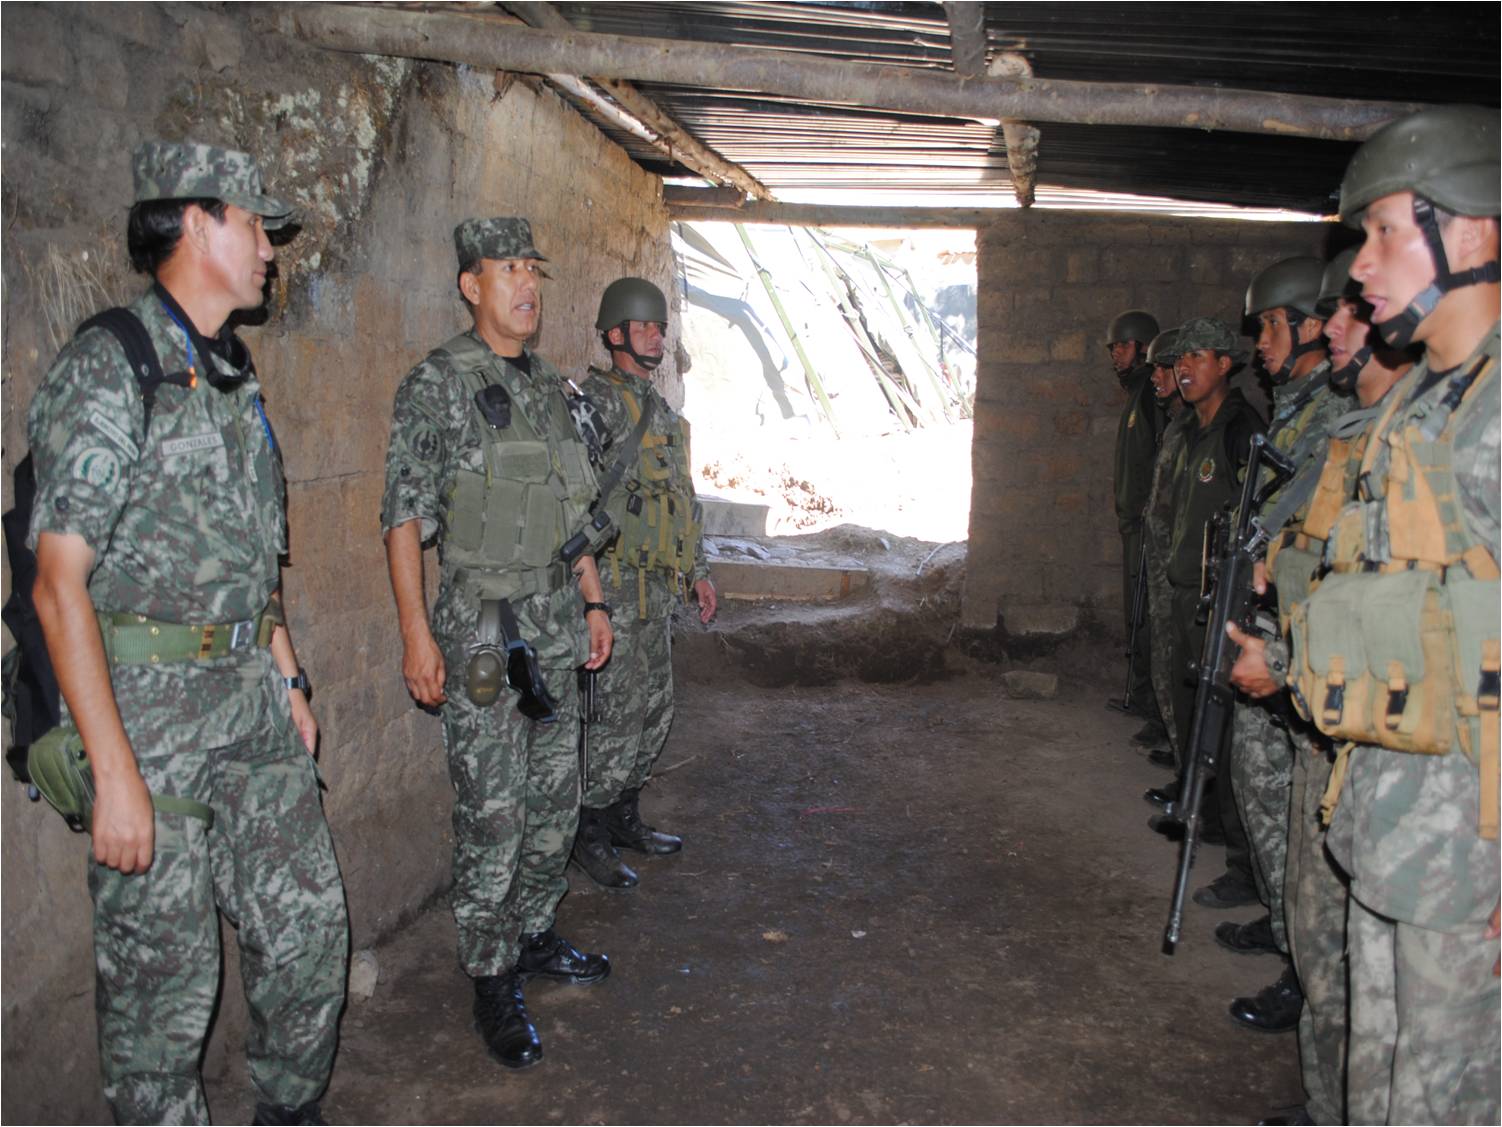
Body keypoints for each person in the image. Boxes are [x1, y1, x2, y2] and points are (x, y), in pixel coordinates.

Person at [26, 140, 348, 1126]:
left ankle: (289, 1109)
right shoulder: (111, 362)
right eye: (254, 225)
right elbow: (56, 584)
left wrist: (288, 678)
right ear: (194, 220)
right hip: (150, 727)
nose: (268, 250)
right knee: (162, 998)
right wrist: (115, 772)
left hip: (248, 704)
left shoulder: (229, 370)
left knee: (309, 931)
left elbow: (254, 554)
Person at [1293, 104, 1500, 1125]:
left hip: (1473, 870)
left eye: (1381, 231)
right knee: (1376, 1092)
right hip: (1396, 834)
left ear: (1472, 230)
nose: (1360, 265)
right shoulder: (1424, 405)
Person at [381, 217, 615, 1071]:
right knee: (494, 809)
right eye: (506, 269)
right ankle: (490, 974)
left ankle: (536, 932)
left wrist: (595, 603)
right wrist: (414, 632)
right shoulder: (436, 384)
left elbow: (575, 512)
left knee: (555, 800)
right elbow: (404, 516)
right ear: (470, 285)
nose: (526, 284)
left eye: (532, 269)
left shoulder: (552, 385)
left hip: (554, 623)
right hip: (484, 630)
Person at [1228, 248, 1414, 1125]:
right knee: (1322, 933)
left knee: (1364, 970)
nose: (1343, 326)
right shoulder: (1351, 430)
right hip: (1332, 729)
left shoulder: (1429, 442)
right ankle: (1328, 1099)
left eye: (1356, 311)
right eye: (1334, 310)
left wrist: (1292, 664)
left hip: (1385, 754)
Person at [1200, 257, 1344, 1036]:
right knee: (1265, 803)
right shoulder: (1296, 408)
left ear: (1309, 328)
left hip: (1301, 641)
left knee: (1294, 814)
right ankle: (1288, 931)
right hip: (1272, 629)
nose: (1260, 343)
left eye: (1269, 326)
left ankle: (1303, 962)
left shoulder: (1329, 416)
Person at [569, 278, 715, 889]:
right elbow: (572, 505)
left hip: (658, 590)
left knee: (655, 711)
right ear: (615, 335)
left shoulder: (663, 413)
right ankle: (589, 833)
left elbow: (684, 499)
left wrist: (700, 572)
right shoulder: (590, 406)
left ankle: (626, 816)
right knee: (612, 722)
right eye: (646, 326)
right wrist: (591, 598)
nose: (658, 335)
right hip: (615, 590)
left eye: (661, 327)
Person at [1146, 317, 1265, 853]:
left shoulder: (1240, 431)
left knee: (1222, 717)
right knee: (1190, 701)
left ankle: (1220, 825)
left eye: (1199, 357)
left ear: (1225, 364)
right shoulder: (1190, 429)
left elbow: (1260, 519)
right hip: (1184, 589)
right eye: (1181, 358)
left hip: (1219, 599)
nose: (1184, 367)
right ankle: (1196, 801)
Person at [1105, 308, 1168, 745]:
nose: (1116, 355)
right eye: (1113, 347)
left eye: (1123, 346)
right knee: (1137, 611)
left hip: (1149, 524)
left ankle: (1152, 704)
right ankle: (1143, 694)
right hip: (1135, 522)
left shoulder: (1150, 394)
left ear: (1144, 348)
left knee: (1147, 614)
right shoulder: (1138, 393)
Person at [1139, 327, 1188, 773]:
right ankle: (1177, 745)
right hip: (1164, 562)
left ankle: (1186, 758)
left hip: (1181, 567)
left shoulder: (1198, 428)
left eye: (1162, 368)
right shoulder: (1176, 423)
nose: (1154, 376)